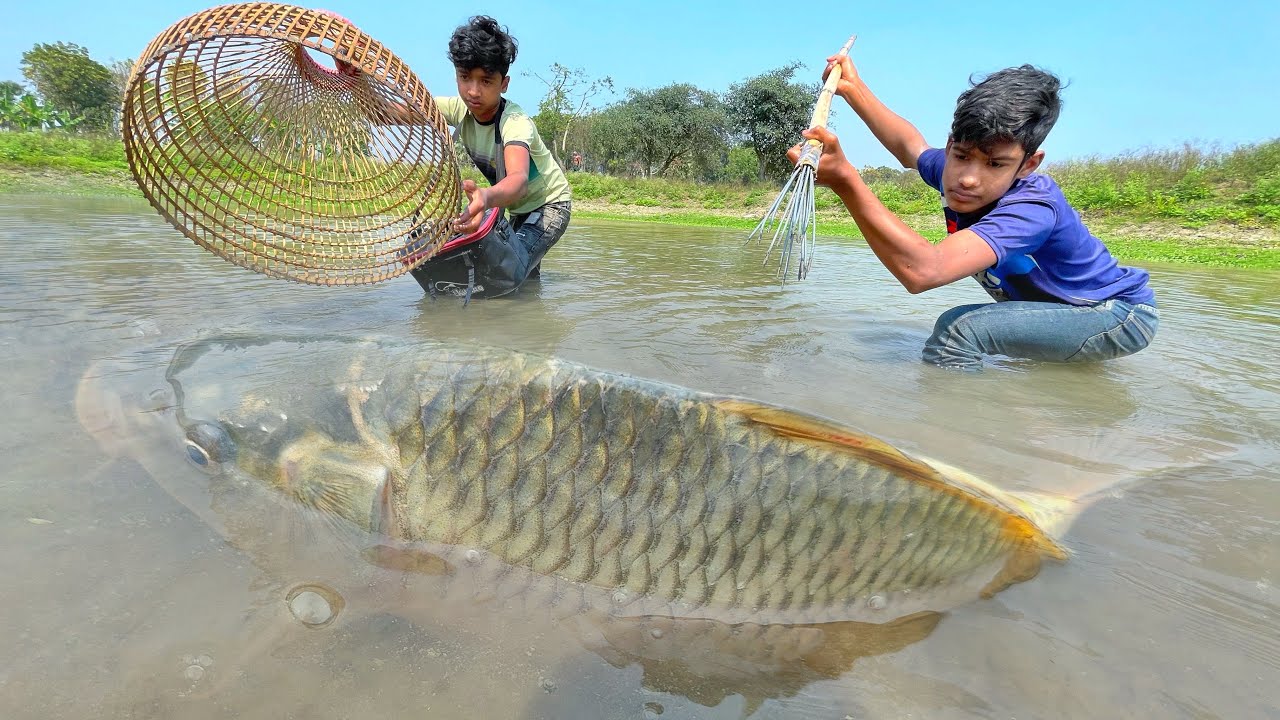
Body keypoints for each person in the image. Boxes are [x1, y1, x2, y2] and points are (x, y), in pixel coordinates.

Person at [789, 57, 1158, 371]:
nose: (968, 178)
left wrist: (846, 181)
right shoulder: (955, 170)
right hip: (1060, 312)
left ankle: (953, 428)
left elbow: (923, 271)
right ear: (951, 145)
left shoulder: (1031, 208)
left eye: (995, 164)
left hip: (1116, 316)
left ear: (1029, 164)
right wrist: (853, 89)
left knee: (960, 331)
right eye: (962, 155)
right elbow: (908, 146)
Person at [340, 15, 571, 289]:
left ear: (504, 84)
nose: (473, 91)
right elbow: (382, 114)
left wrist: (486, 196)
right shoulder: (458, 109)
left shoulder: (514, 122)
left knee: (509, 270)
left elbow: (519, 181)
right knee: (523, 273)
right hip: (516, 207)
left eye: (486, 81)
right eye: (465, 78)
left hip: (550, 205)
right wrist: (356, 79)